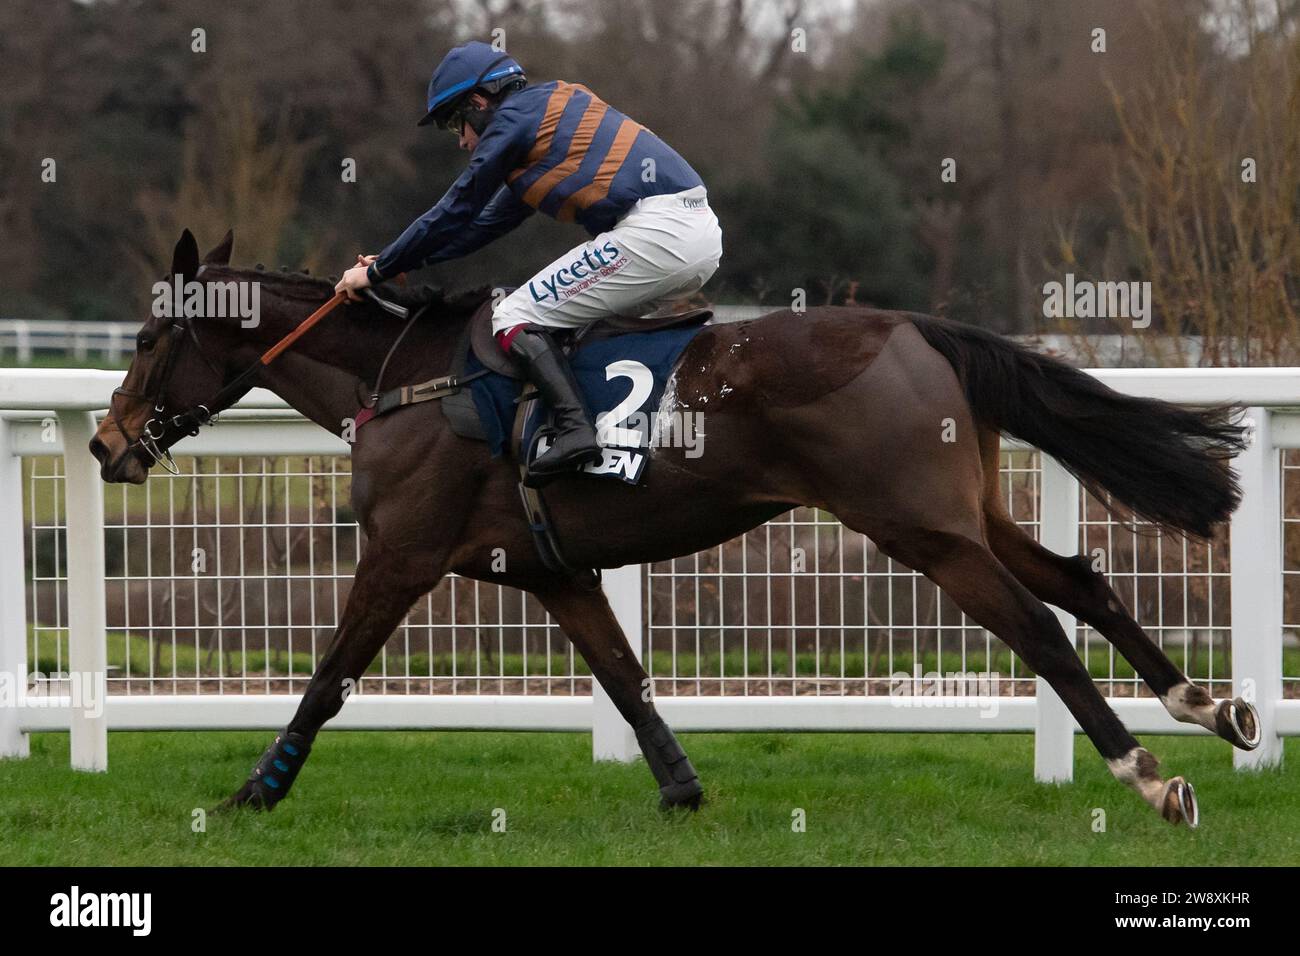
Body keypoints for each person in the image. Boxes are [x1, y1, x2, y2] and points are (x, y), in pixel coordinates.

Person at [335, 41, 722, 478]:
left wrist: (376, 271)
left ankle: (575, 432)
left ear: (479, 103)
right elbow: (480, 226)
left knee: (513, 315)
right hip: (697, 234)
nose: (462, 140)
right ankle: (621, 445)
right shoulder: (547, 119)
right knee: (579, 327)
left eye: (457, 124)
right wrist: (396, 261)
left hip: (658, 233)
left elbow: (456, 207)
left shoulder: (514, 120)